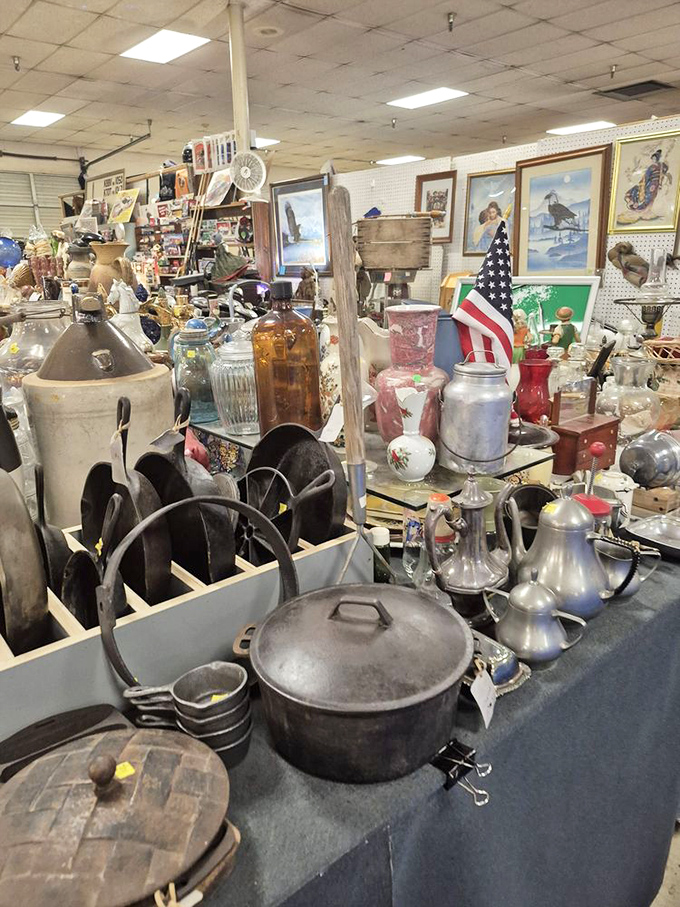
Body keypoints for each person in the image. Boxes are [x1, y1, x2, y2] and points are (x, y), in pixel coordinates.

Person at [618, 149, 672, 225]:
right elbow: (646, 176)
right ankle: (644, 210)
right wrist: (643, 183)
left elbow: (665, 169)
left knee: (653, 197)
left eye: (655, 158)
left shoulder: (661, 166)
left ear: (657, 158)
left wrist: (663, 165)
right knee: (649, 196)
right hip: (651, 183)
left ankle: (648, 210)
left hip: (656, 183)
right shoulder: (652, 167)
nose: (653, 160)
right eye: (652, 158)